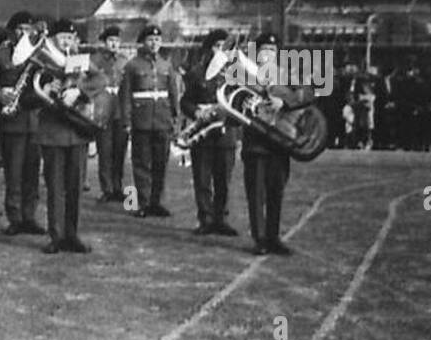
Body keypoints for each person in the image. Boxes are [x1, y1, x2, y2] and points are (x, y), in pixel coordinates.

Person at [241, 32, 310, 256]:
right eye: (263, 50)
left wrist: (285, 101)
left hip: (280, 144)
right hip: (255, 144)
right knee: (256, 194)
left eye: (271, 50)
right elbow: (232, 110)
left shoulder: (285, 76)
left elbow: (308, 94)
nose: (267, 54)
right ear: (256, 53)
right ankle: (259, 238)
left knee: (276, 192)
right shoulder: (244, 78)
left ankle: (273, 237)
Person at [34, 19, 92, 254]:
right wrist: (45, 93)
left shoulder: (80, 61)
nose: (67, 42)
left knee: (74, 187)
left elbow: (101, 81)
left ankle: (72, 234)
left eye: (70, 38)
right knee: (54, 187)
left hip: (75, 132)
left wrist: (80, 90)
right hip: (50, 132)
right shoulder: (39, 62)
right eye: (62, 38)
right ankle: (53, 234)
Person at [0, 11, 43, 235]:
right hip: (11, 122)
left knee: (32, 173)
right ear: (11, 31)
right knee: (14, 173)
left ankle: (30, 216)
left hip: (33, 121)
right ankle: (15, 218)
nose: (23, 34)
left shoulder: (38, 54)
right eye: (19, 29)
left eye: (27, 30)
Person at [179, 29, 239, 236]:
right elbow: (185, 101)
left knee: (224, 180)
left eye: (225, 46)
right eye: (216, 46)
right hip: (203, 132)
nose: (220, 50)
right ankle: (205, 218)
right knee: (202, 178)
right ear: (208, 49)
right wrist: (196, 111)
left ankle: (221, 219)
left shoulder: (236, 74)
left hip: (226, 132)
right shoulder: (196, 73)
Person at [120, 24, 180, 218]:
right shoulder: (132, 65)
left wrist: (175, 117)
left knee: (161, 163)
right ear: (142, 42)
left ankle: (157, 202)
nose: (154, 43)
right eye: (150, 40)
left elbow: (173, 93)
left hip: (162, 120)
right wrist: (127, 121)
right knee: (142, 163)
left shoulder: (166, 65)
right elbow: (126, 95)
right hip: (141, 121)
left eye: (157, 40)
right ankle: (142, 203)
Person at [86, 25, 127, 201]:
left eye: (117, 41)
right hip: (103, 109)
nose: (114, 44)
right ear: (104, 42)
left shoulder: (124, 61)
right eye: (111, 41)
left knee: (120, 151)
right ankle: (107, 189)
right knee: (105, 150)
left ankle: (118, 187)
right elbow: (86, 83)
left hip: (119, 109)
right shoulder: (94, 60)